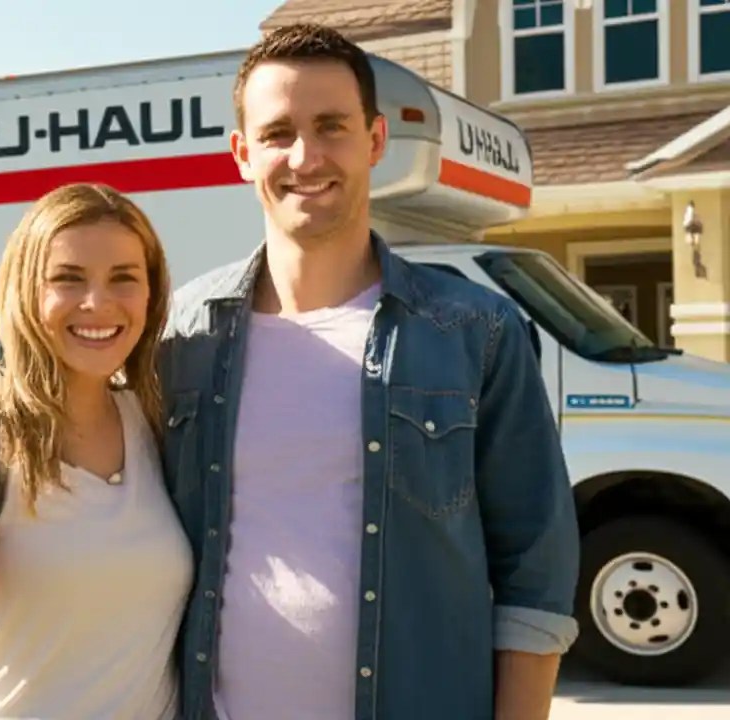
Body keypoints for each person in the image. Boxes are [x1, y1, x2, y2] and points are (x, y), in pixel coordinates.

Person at [158, 23, 580, 720]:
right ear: (241, 154)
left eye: (332, 127)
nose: (305, 156)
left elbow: (536, 571)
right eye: (277, 133)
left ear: (375, 140)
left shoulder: (476, 332)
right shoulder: (183, 335)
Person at [0, 183, 194, 720]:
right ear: (25, 292)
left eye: (123, 278)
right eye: (68, 279)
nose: (97, 304)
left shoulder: (156, 422)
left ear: (151, 294)